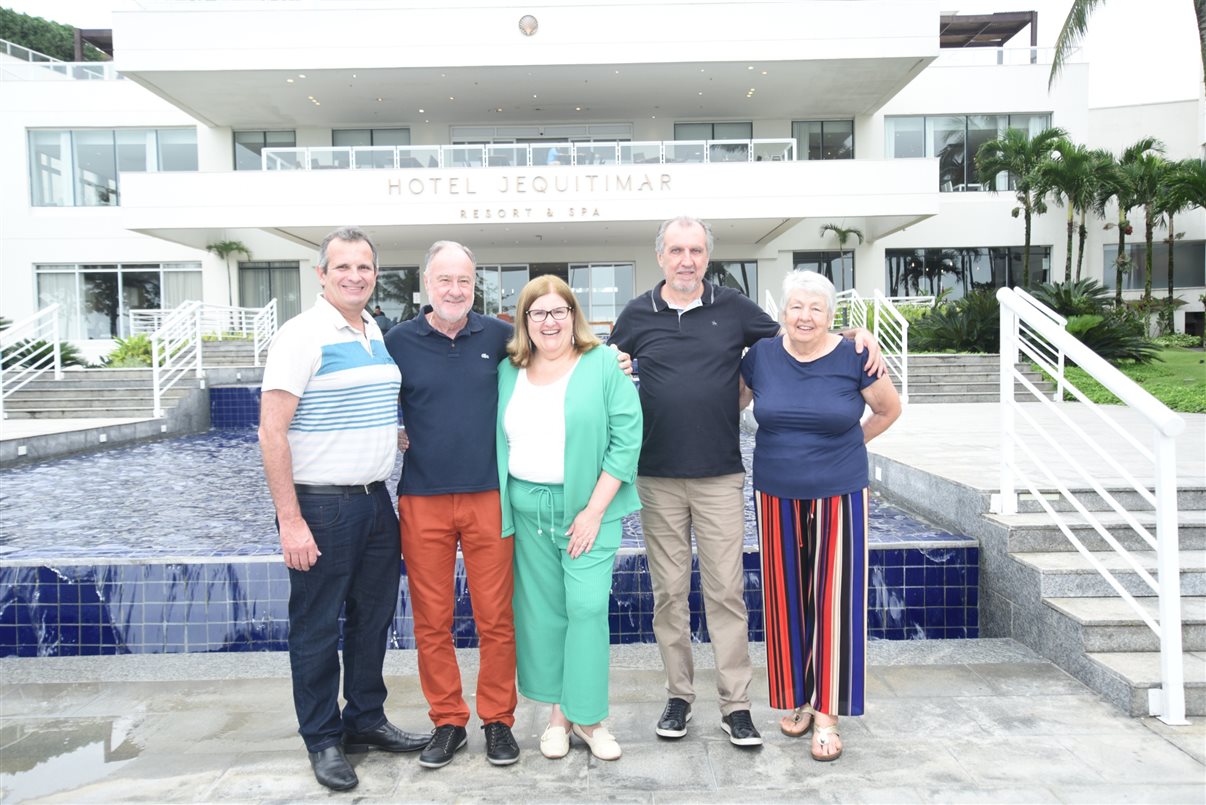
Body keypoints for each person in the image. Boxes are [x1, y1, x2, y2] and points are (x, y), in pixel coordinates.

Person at [607, 216, 882, 748]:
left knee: (726, 594)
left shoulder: (733, 307)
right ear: (660, 256)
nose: (686, 260)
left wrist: (853, 332)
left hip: (720, 477)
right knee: (668, 595)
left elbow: (797, 330)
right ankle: (679, 697)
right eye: (676, 250)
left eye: (696, 250)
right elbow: (602, 367)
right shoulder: (637, 313)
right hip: (656, 477)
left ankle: (735, 706)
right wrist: (610, 367)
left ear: (707, 257)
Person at [258, 226, 428, 792]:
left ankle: (365, 719)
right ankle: (323, 738)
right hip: (322, 505)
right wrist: (290, 520)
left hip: (376, 500)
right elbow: (271, 433)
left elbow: (361, 403)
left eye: (364, 267)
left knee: (372, 620)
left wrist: (390, 436)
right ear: (321, 275)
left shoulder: (372, 329)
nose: (355, 276)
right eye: (343, 268)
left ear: (375, 273)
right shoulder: (301, 335)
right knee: (316, 626)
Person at [739, 270, 901, 762]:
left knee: (834, 600)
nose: (805, 316)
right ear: (783, 312)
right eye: (796, 307)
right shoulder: (762, 357)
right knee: (785, 599)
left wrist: (849, 446)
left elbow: (889, 410)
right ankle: (798, 700)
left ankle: (827, 714)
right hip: (775, 493)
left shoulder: (856, 354)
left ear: (832, 316)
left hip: (840, 492)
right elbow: (729, 404)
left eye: (816, 308)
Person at [382, 240, 519, 769]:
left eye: (464, 281)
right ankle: (448, 720)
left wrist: (613, 359)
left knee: (496, 619)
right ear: (426, 285)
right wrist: (387, 431)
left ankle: (498, 720)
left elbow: (556, 366)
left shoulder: (503, 336)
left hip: (490, 495)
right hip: (423, 499)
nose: (455, 290)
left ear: (474, 284)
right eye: (445, 281)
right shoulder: (397, 341)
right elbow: (372, 396)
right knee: (432, 621)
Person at [494, 276, 642, 762]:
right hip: (527, 509)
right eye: (539, 313)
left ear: (573, 316)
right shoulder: (509, 371)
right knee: (547, 615)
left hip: (587, 509)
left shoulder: (602, 364)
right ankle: (561, 716)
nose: (550, 321)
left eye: (559, 311)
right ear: (526, 322)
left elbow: (627, 439)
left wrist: (593, 512)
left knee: (586, 609)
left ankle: (592, 719)